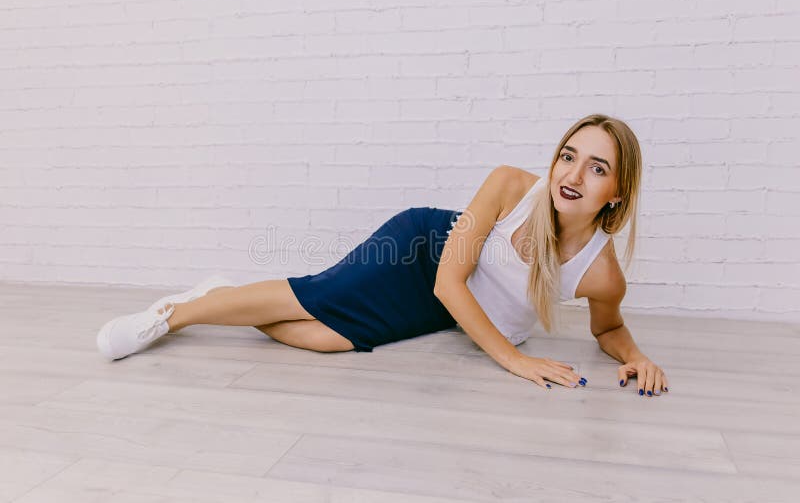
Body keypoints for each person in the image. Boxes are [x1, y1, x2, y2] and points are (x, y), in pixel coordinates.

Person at [96, 113, 669, 398]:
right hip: (425, 255)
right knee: (322, 295)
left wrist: (636, 355)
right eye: (568, 156)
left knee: (327, 339)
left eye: (597, 168)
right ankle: (172, 315)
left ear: (617, 191)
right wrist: (515, 362)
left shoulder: (600, 270)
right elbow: (450, 283)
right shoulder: (511, 186)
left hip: (452, 310)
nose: (572, 175)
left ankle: (219, 294)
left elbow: (609, 328)